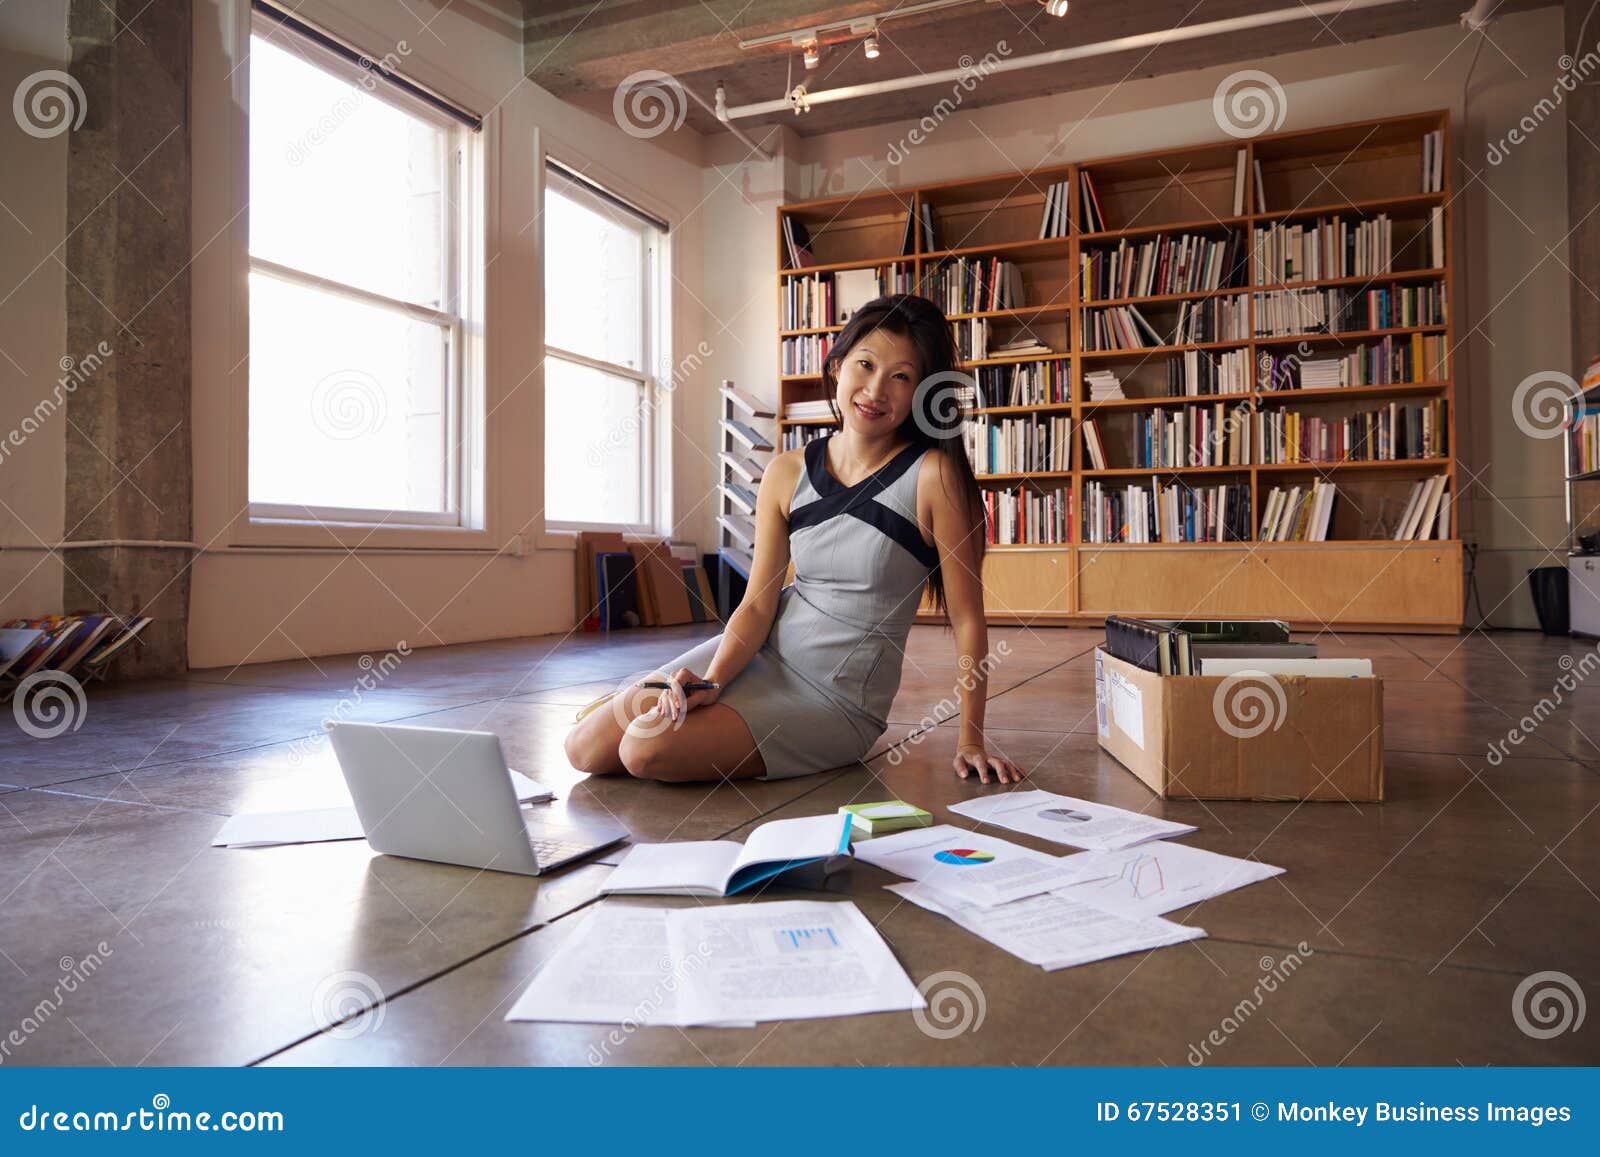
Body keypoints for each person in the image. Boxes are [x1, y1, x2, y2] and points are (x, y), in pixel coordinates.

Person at [563, 293, 1027, 786]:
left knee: (644, 748)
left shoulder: (934, 477)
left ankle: (697, 727)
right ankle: (689, 711)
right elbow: (759, 604)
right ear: (836, 366)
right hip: (758, 653)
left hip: (834, 697)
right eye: (865, 365)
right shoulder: (787, 471)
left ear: (920, 393)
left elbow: (968, 619)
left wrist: (971, 739)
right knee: (584, 748)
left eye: (901, 376)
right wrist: (716, 680)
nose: (875, 389)